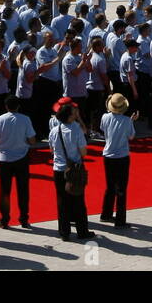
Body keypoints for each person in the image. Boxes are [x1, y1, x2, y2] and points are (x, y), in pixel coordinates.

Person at [0, 95, 36, 229]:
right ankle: (24, 218)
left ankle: (4, 219)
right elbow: (32, 140)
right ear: (18, 106)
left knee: (5, 191)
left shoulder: (0, 119)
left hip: (4, 158)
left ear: (6, 106)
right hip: (22, 157)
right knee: (23, 190)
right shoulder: (25, 119)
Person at [49, 100, 93, 241]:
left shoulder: (55, 130)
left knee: (62, 201)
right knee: (78, 200)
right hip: (75, 169)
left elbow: (51, 149)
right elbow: (84, 152)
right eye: (74, 113)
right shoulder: (76, 129)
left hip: (58, 169)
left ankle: (64, 232)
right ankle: (82, 231)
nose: (76, 115)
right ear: (68, 116)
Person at [99, 93, 136, 228]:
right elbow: (131, 136)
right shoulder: (127, 121)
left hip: (108, 155)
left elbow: (103, 129)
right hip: (121, 156)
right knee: (121, 188)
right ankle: (120, 220)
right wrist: (131, 121)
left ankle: (106, 214)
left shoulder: (105, 117)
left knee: (110, 186)